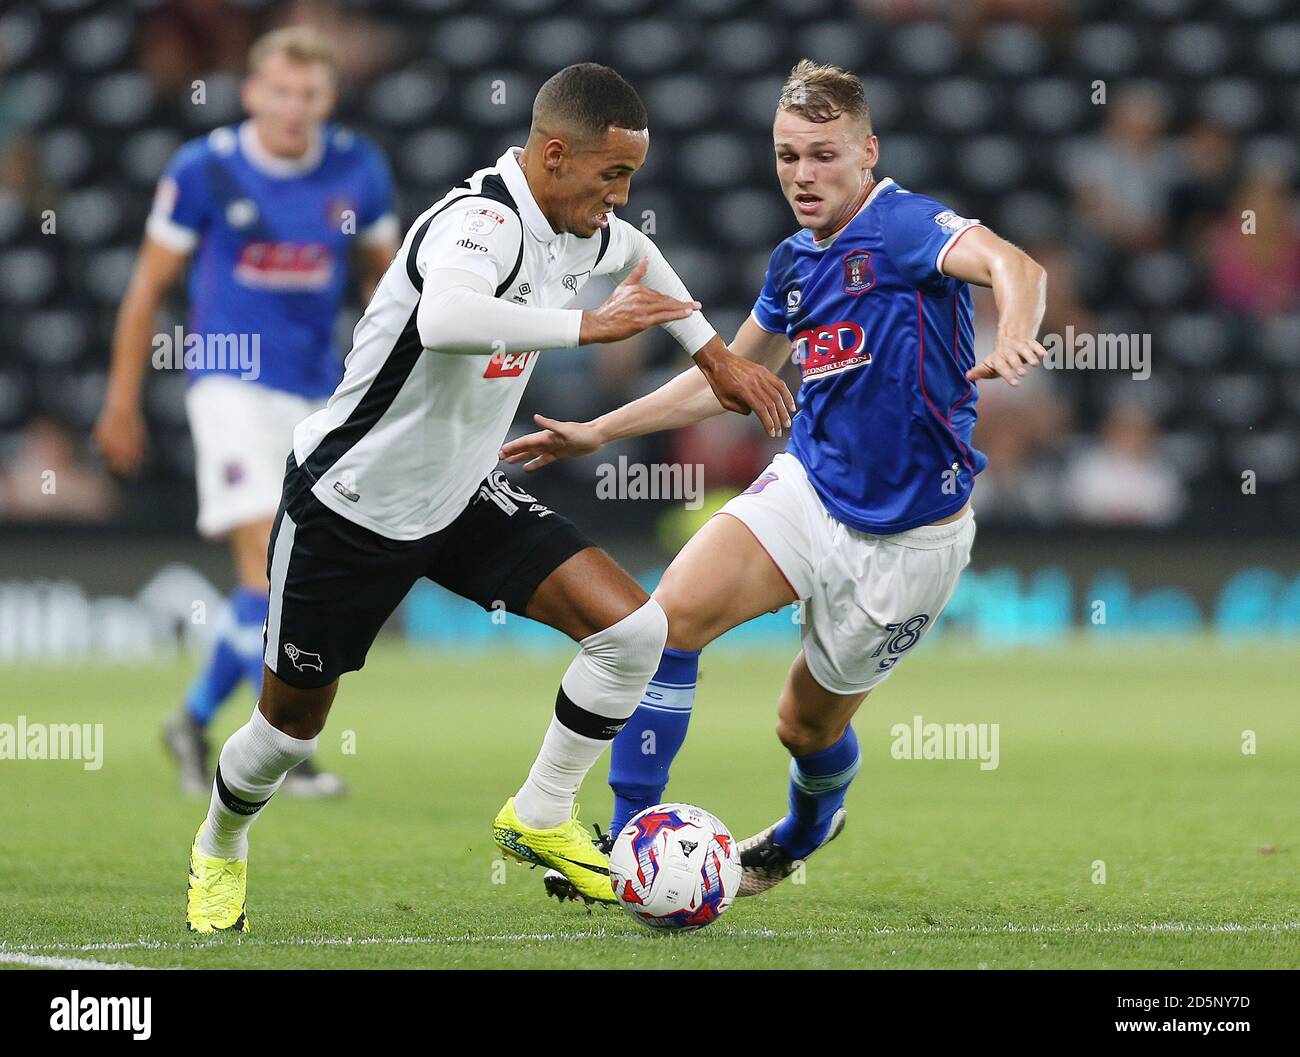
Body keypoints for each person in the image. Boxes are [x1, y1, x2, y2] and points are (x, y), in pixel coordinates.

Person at [181, 62, 793, 932]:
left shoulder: (583, 228)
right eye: (611, 173)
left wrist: (713, 354)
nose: (622, 196)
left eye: (631, 176)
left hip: (462, 496)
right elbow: (447, 322)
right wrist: (589, 325)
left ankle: (539, 815)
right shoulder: (478, 223)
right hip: (351, 505)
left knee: (635, 634)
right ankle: (219, 844)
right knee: (285, 738)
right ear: (552, 155)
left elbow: (642, 259)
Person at [500, 60, 1048, 901]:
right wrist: (600, 431)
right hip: (808, 487)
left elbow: (1019, 267)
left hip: (910, 539)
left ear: (868, 152)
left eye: (823, 155)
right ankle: (626, 846)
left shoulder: (905, 227)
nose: (802, 175)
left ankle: (802, 830)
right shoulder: (795, 262)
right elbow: (724, 378)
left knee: (804, 727)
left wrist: (1012, 334)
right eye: (788, 156)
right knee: (663, 624)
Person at [94, 26, 399, 798]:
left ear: (329, 99)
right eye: (281, 91)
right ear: (253, 92)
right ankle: (261, 745)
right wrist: (122, 399)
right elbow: (145, 291)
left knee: (294, 583)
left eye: (310, 94)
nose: (294, 107)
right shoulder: (206, 169)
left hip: (318, 393)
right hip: (227, 384)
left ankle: (212, 727)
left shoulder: (356, 168)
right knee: (266, 569)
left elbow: (389, 289)